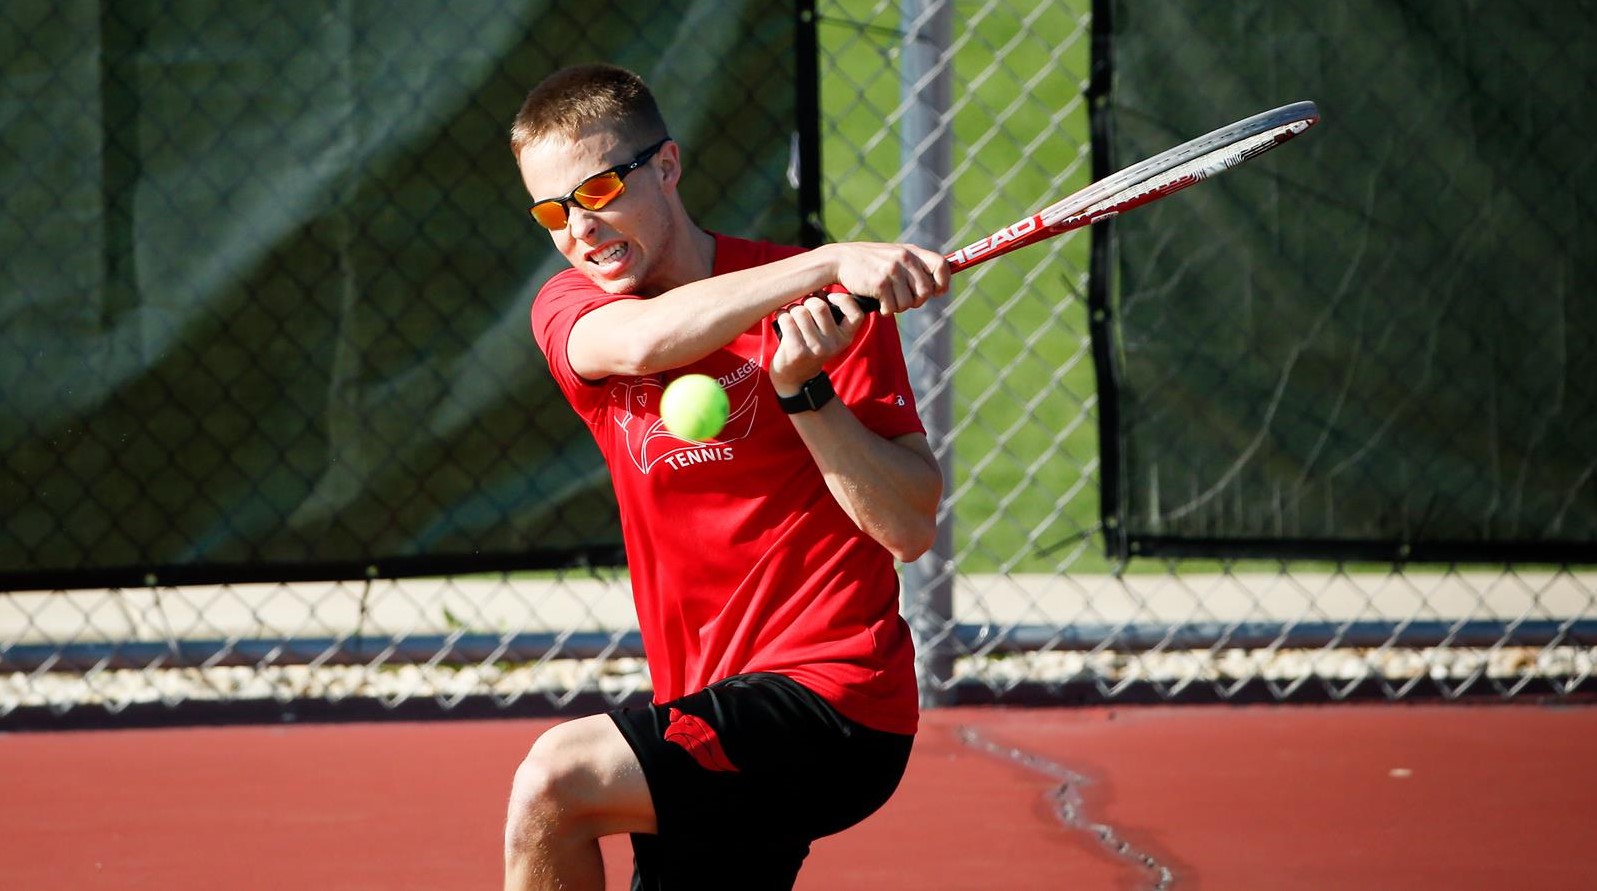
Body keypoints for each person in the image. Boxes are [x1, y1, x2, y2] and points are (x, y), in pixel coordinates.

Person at [504, 63, 950, 891]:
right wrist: (829, 262)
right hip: (705, 704)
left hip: (838, 700)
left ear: (666, 166)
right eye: (551, 211)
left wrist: (805, 389)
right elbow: (643, 346)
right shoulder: (574, 309)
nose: (578, 230)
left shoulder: (823, 321)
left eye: (597, 189)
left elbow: (907, 525)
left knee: (553, 781)